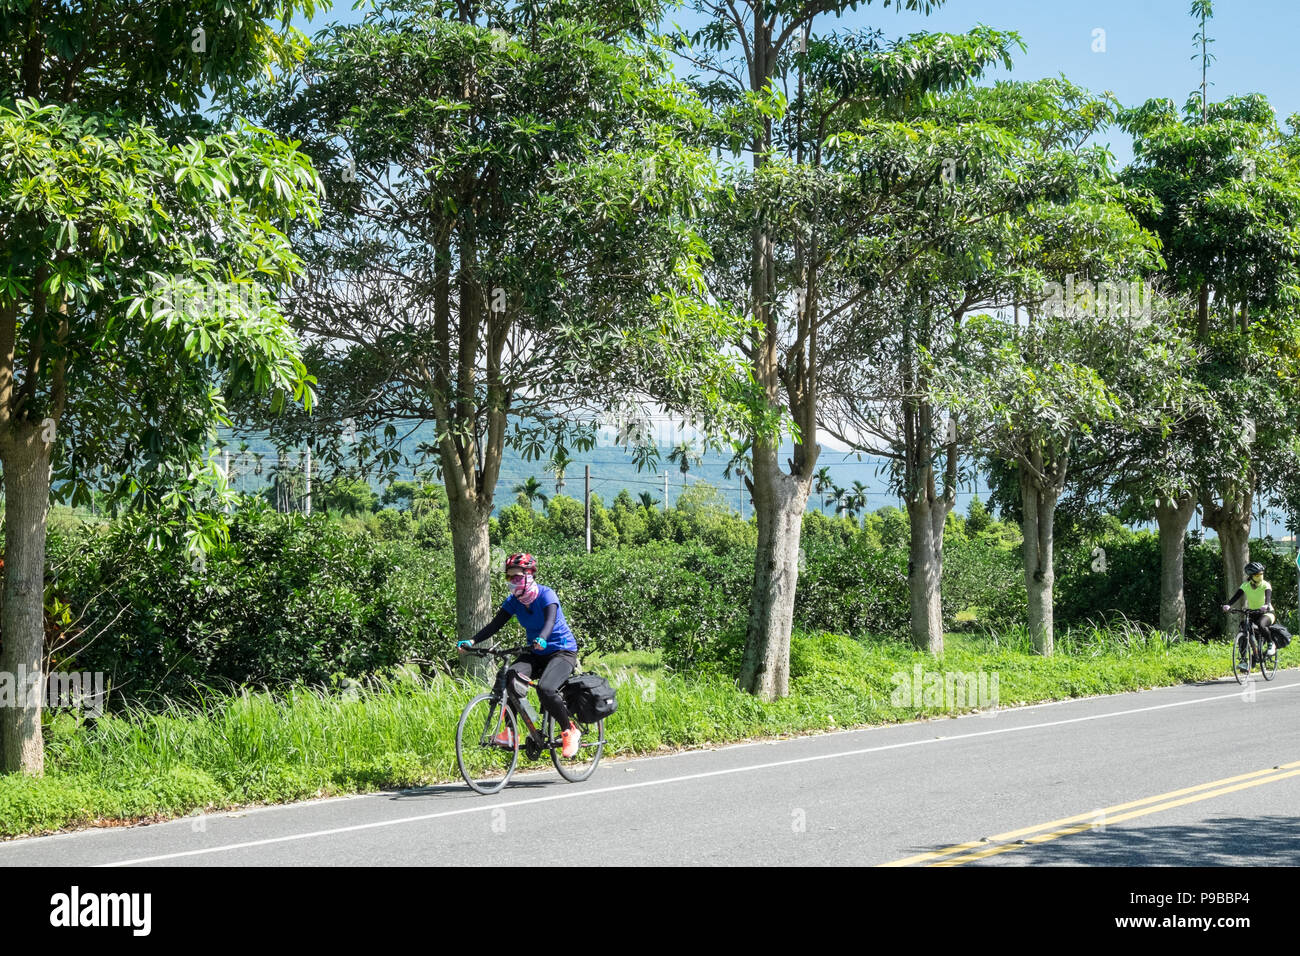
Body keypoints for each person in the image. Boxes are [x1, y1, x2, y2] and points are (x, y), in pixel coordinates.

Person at [458, 552, 583, 757]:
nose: (512, 581)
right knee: (510, 678)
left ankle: (569, 730)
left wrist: (542, 637)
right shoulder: (514, 601)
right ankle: (510, 732)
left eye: (516, 577)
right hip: (535, 652)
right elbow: (495, 624)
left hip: (562, 651)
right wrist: (472, 641)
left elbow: (550, 621)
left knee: (546, 688)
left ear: (529, 575)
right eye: (509, 577)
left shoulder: (546, 595)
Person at [1222, 561, 1275, 673]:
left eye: (1261, 574)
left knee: (1261, 624)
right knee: (1243, 628)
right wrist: (1228, 605)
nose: (1260, 576)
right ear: (1251, 576)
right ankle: (1244, 660)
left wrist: (1266, 604)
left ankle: (1271, 644)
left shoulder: (1266, 585)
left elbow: (1268, 597)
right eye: (1256, 575)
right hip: (1253, 613)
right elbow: (1236, 596)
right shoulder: (1245, 586)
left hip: (1267, 613)